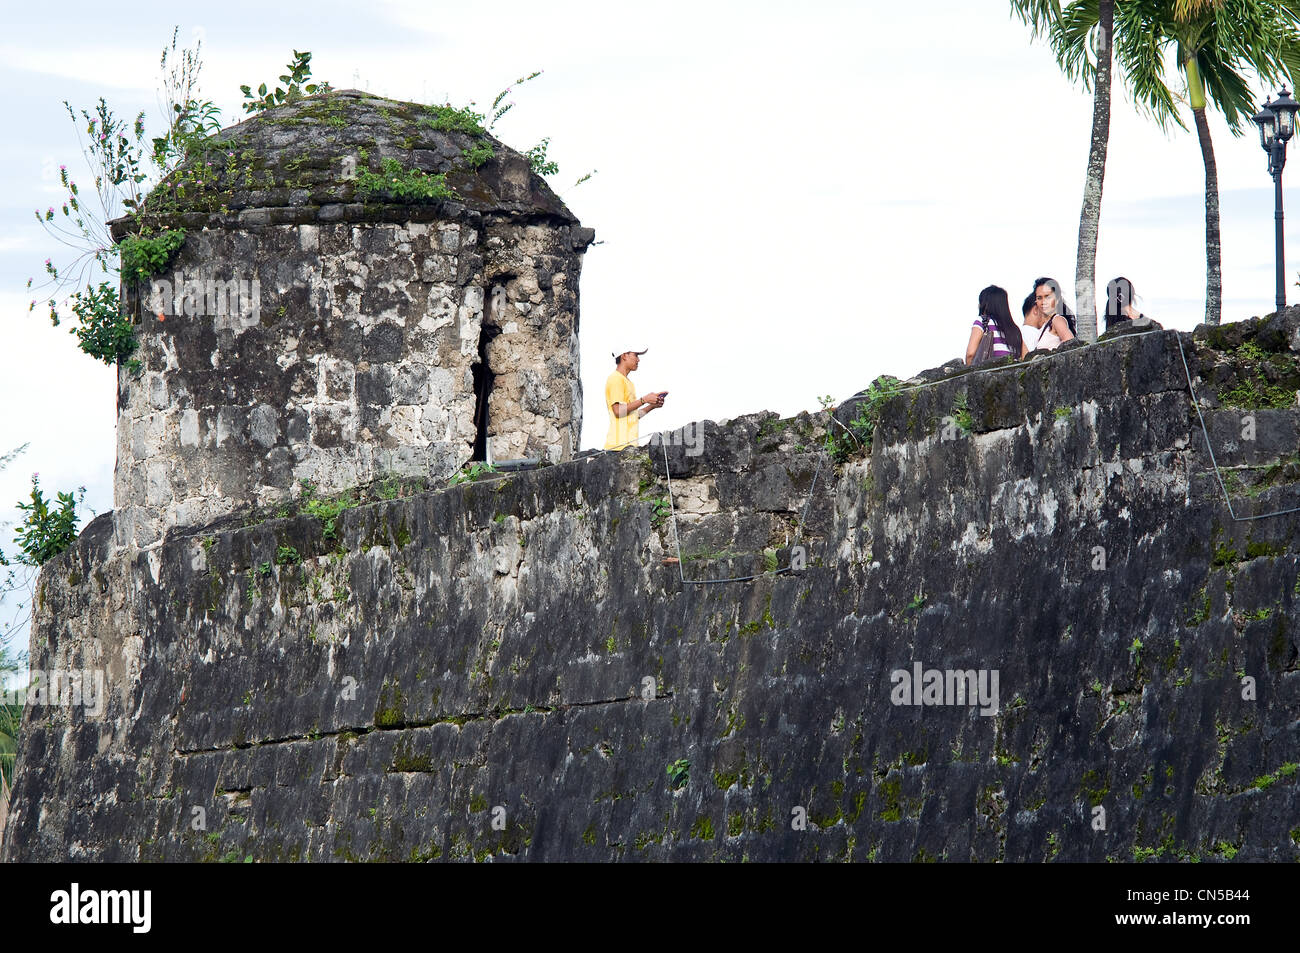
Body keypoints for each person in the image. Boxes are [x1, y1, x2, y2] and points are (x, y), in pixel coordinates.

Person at [604, 348, 666, 450]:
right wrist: (644, 400)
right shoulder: (615, 379)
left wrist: (652, 406)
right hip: (617, 448)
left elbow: (633, 416)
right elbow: (618, 411)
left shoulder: (628, 382)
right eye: (636, 355)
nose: (638, 360)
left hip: (628, 448)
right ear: (624, 356)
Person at [965, 286, 1025, 365]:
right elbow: (1025, 356)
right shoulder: (1014, 329)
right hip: (1011, 373)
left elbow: (970, 354)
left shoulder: (983, 322)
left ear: (985, 304)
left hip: (989, 373)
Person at [1026, 277, 1076, 351]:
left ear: (1057, 298)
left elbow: (1070, 343)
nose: (1043, 302)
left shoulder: (1057, 320)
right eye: (1039, 298)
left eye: (1047, 297)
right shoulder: (1044, 326)